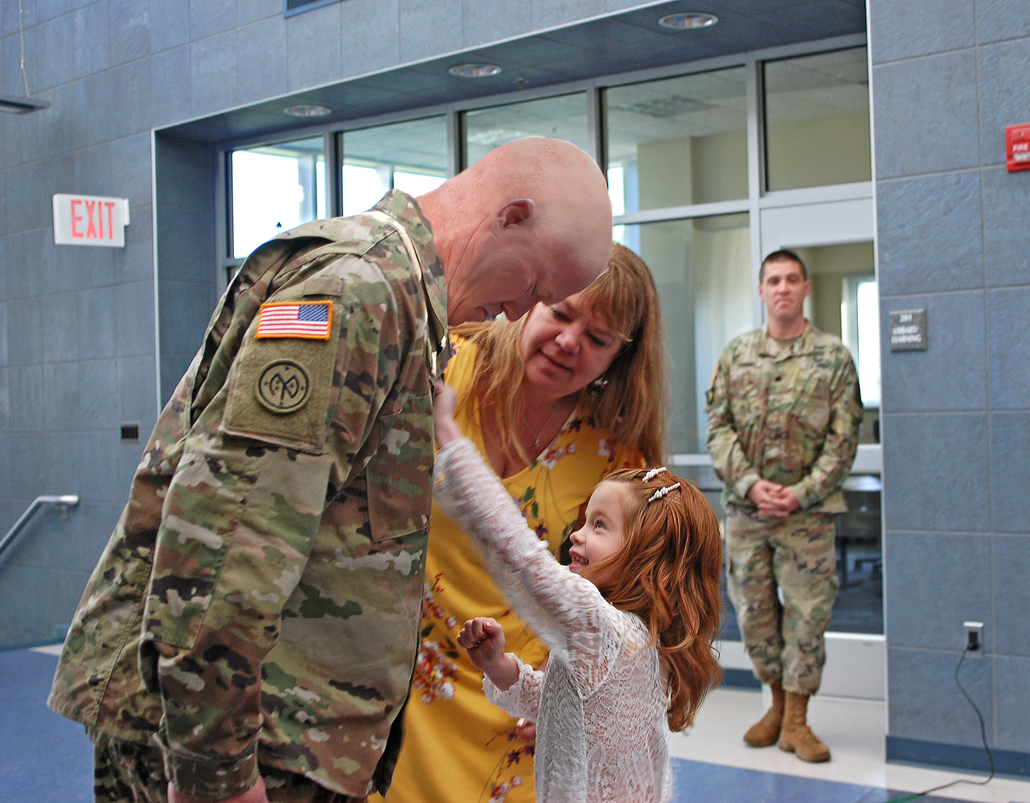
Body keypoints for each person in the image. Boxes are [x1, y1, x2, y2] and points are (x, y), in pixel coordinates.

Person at [46, 136, 613, 803]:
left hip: (281, 737)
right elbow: (227, 537)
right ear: (512, 214)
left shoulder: (403, 308)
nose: (520, 311)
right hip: (241, 746)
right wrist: (216, 773)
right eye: (536, 285)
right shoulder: (360, 293)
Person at [380, 244, 666, 803]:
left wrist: (587, 699)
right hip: (400, 682)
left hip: (521, 698)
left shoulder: (618, 460)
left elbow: (636, 603)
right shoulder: (441, 366)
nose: (568, 342)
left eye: (598, 338)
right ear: (531, 303)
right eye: (561, 313)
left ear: (619, 359)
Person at [431, 381, 724, 803]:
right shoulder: (638, 637)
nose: (576, 535)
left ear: (647, 555)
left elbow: (515, 547)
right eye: (585, 520)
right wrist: (498, 666)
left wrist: (447, 432)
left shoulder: (602, 627)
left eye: (600, 525)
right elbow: (562, 707)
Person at [705, 249, 862, 763]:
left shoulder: (833, 358)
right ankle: (774, 705)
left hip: (807, 518)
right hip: (748, 515)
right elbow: (719, 427)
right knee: (754, 615)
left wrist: (801, 492)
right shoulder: (737, 355)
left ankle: (798, 719)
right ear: (761, 290)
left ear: (806, 288)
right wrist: (750, 484)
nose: (783, 288)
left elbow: (844, 439)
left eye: (792, 279)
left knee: (807, 617)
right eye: (773, 280)